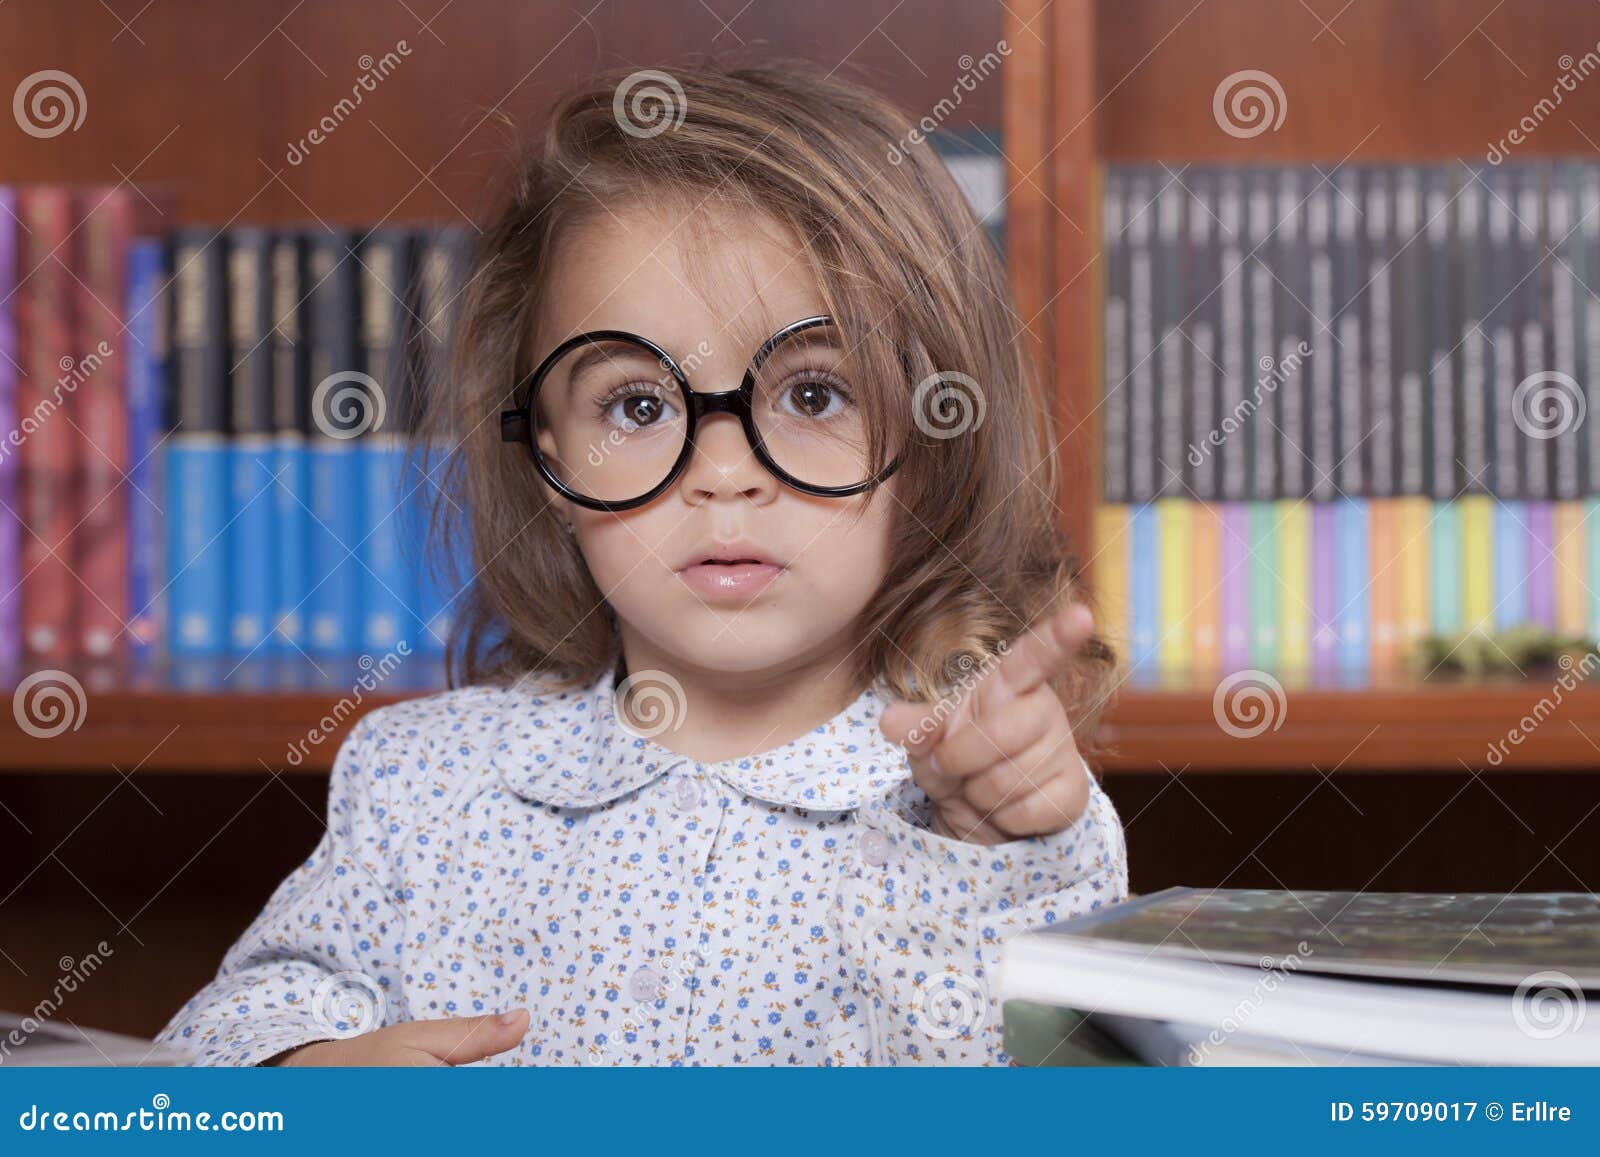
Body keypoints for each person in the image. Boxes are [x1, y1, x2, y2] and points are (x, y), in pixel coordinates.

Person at [156, 58, 1128, 1067]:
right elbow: (231, 1027)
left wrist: (984, 852)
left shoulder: (999, 813)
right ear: (545, 454)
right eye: (638, 404)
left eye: (810, 396)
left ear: (933, 439)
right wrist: (304, 1070)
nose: (722, 474)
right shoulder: (425, 783)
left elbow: (1052, 1097)